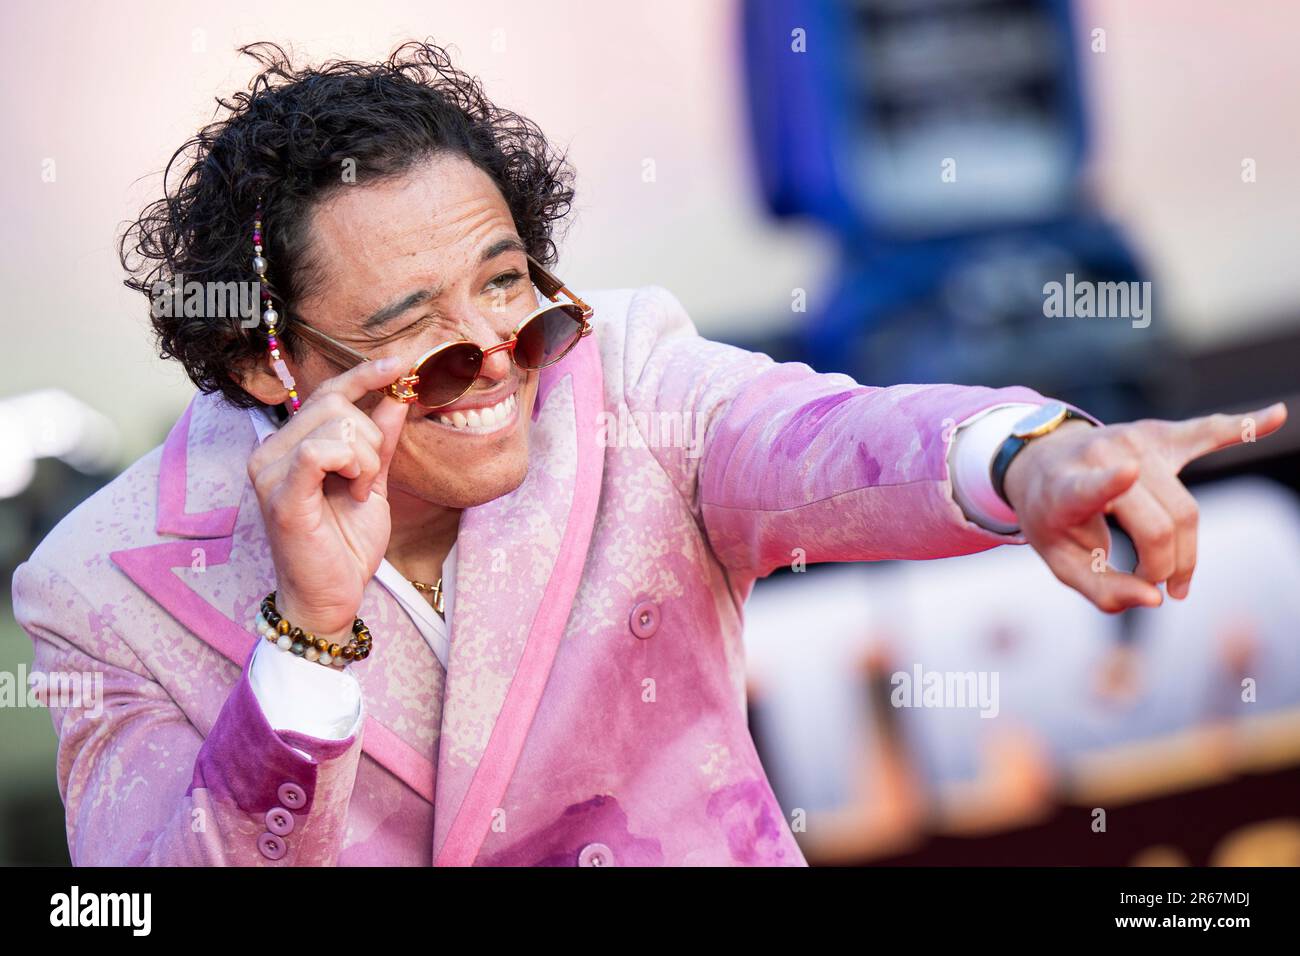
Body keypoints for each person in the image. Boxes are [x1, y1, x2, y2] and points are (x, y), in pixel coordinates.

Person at [10, 40, 1286, 866]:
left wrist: (1027, 459)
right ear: (266, 362)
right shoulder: (98, 589)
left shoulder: (619, 376)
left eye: (512, 287)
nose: (497, 355)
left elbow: (816, 435)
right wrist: (308, 636)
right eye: (417, 337)